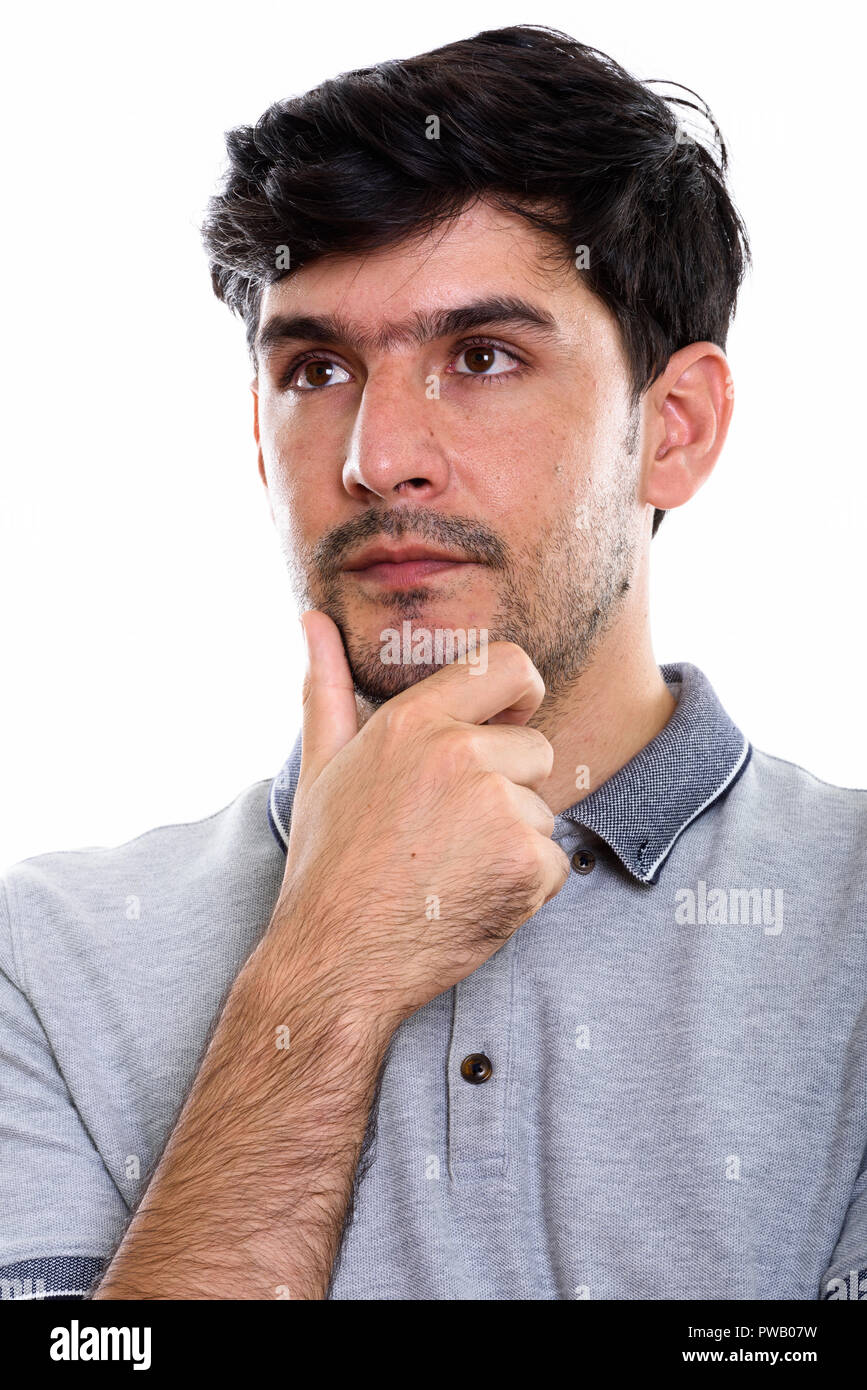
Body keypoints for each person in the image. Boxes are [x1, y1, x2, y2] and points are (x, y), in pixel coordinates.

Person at [1, 25, 864, 1303]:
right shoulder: (46, 960)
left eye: (482, 357)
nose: (376, 453)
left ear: (671, 433)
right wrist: (325, 965)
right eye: (319, 368)